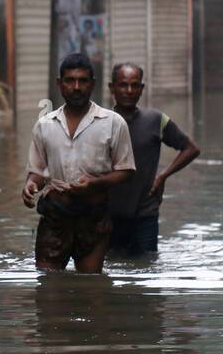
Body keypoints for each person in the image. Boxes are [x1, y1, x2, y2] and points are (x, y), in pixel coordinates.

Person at [22, 52, 136, 273]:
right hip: (55, 217)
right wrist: (30, 186)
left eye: (82, 81)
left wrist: (95, 183)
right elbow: (36, 171)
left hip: (93, 218)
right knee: (48, 290)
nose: (76, 87)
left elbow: (126, 170)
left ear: (92, 84)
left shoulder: (113, 123)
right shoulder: (45, 125)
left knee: (91, 289)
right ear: (60, 84)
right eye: (70, 81)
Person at [104, 63, 200, 256]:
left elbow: (191, 149)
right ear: (112, 88)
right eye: (123, 85)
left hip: (145, 215)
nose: (129, 91)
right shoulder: (100, 122)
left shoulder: (155, 120)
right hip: (107, 215)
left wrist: (163, 176)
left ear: (142, 89)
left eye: (134, 85)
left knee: (146, 269)